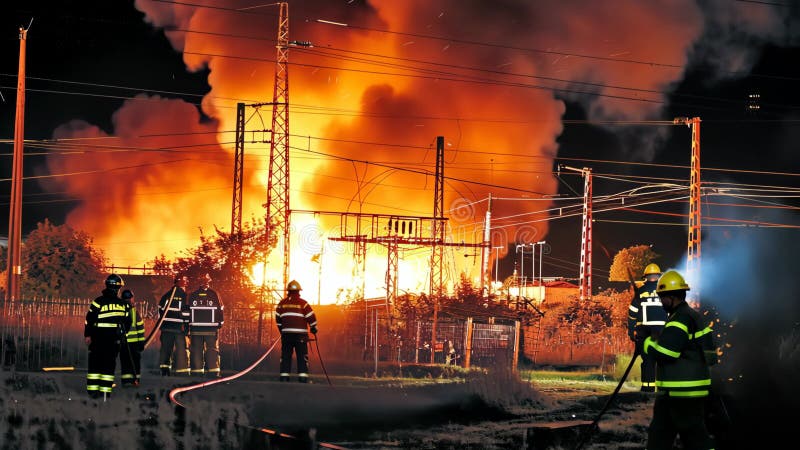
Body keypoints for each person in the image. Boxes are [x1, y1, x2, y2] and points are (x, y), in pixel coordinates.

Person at [643, 270, 717, 450]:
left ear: (671, 297)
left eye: (662, 298)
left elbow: (667, 354)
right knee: (662, 435)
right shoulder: (692, 315)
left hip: (680, 393)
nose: (661, 302)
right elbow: (706, 354)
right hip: (684, 392)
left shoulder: (679, 319)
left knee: (693, 438)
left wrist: (647, 343)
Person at [84, 274, 131, 400]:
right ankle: (105, 395)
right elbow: (128, 323)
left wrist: (88, 335)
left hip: (97, 339)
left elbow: (89, 320)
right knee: (108, 368)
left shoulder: (98, 302)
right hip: (113, 341)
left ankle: (93, 395)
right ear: (118, 288)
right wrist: (122, 335)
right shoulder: (123, 305)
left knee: (95, 366)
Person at [627, 263, 667, 392]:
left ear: (646, 277)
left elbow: (632, 313)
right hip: (662, 331)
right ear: (659, 276)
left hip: (644, 332)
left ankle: (647, 388)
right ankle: (663, 388)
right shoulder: (665, 292)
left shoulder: (641, 292)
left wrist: (631, 331)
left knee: (648, 360)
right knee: (663, 359)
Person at [275, 280, 318, 383]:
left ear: (288, 291)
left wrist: (283, 331)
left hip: (286, 336)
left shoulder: (282, 304)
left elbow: (278, 320)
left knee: (286, 356)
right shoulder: (303, 303)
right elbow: (311, 317)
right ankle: (302, 378)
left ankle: (284, 377)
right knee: (302, 356)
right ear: (299, 291)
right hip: (301, 336)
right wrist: (313, 327)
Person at [186, 273, 224, 377]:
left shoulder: (193, 295)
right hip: (211, 330)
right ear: (208, 282)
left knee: (196, 350)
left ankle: (196, 372)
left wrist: (187, 327)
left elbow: (186, 312)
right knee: (212, 350)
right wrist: (219, 324)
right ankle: (214, 372)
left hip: (195, 330)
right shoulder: (214, 294)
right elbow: (220, 310)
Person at [158, 274, 190, 376]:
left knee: (166, 350)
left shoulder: (167, 295)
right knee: (181, 350)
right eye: (185, 281)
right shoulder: (184, 296)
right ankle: (182, 372)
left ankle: (164, 371)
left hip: (166, 328)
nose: (186, 283)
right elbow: (186, 313)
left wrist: (162, 324)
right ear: (181, 282)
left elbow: (160, 310)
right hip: (178, 329)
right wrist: (187, 328)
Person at [119, 289, 145, 387]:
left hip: (123, 342)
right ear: (131, 298)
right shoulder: (134, 312)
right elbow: (140, 327)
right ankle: (135, 380)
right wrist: (141, 342)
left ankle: (126, 381)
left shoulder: (119, 310)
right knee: (135, 362)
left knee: (125, 362)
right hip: (134, 343)